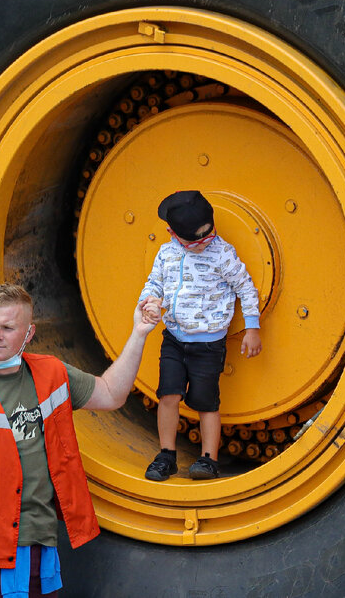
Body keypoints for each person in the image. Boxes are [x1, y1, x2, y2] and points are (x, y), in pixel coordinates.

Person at [0, 283, 159, 598]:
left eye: (7, 327)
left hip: (38, 547)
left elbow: (112, 394)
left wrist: (139, 333)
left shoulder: (52, 374)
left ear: (28, 333)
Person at [138, 190, 262, 482]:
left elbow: (245, 287)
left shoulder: (222, 253)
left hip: (209, 342)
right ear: (172, 233)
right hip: (174, 338)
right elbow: (154, 283)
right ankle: (166, 455)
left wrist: (252, 327)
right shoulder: (167, 253)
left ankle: (209, 460)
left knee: (207, 403)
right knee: (168, 394)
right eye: (196, 240)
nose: (205, 242)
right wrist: (150, 303)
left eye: (209, 234)